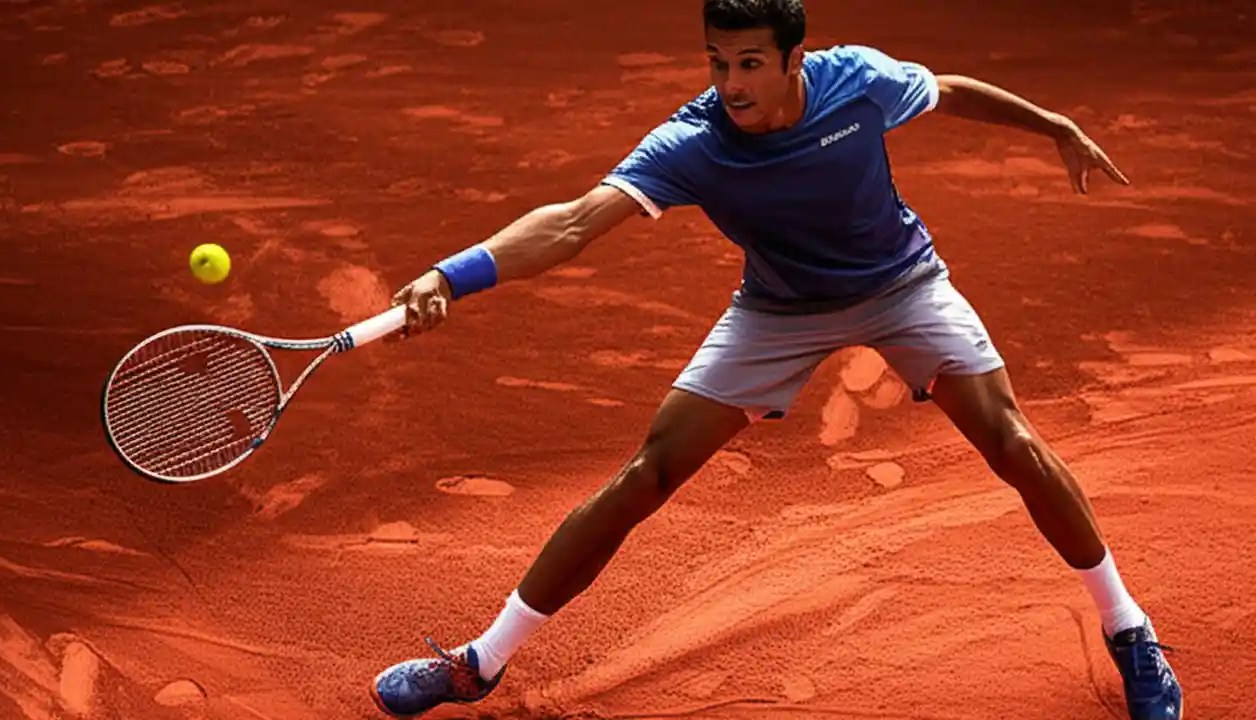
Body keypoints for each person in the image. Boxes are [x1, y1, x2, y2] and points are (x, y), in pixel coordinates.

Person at [368, 2, 1182, 719]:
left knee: (1015, 444)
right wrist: (451, 274)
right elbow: (574, 222)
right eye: (717, 63)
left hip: (902, 285)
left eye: (750, 62)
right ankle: (481, 663)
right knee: (647, 474)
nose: (731, 83)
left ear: (796, 58)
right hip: (777, 311)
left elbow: (951, 88)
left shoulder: (857, 81)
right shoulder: (693, 143)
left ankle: (1127, 627)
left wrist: (1056, 127)